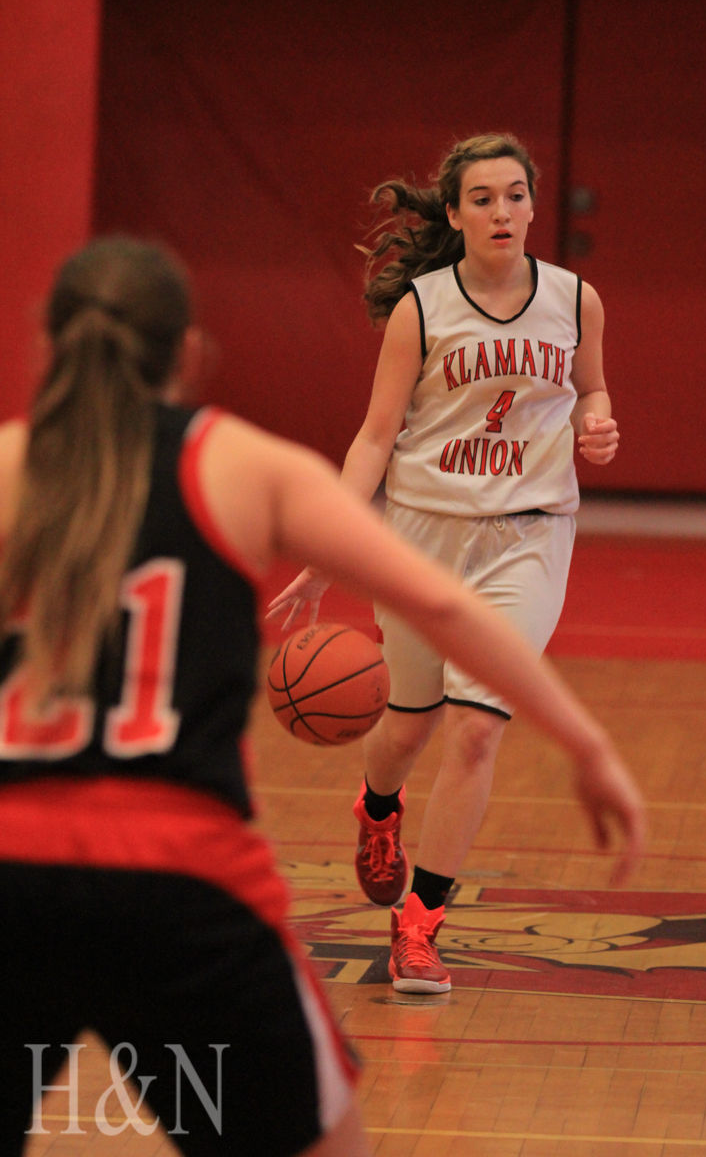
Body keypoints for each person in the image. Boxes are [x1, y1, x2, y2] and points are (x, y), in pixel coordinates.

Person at [0, 234, 643, 1153]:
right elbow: (443, 606)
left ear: (48, 343)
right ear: (188, 353)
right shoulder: (241, 464)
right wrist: (587, 745)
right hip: (184, 879)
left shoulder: (9, 467)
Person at [267, 132, 630, 995]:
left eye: (515, 195)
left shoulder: (576, 300)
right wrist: (328, 545)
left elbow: (593, 388)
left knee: (476, 729)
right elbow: (375, 436)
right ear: (457, 214)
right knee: (407, 726)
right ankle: (378, 808)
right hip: (424, 538)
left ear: (535, 207)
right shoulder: (422, 310)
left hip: (530, 536)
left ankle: (421, 924)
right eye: (483, 198)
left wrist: (598, 424)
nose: (501, 211)